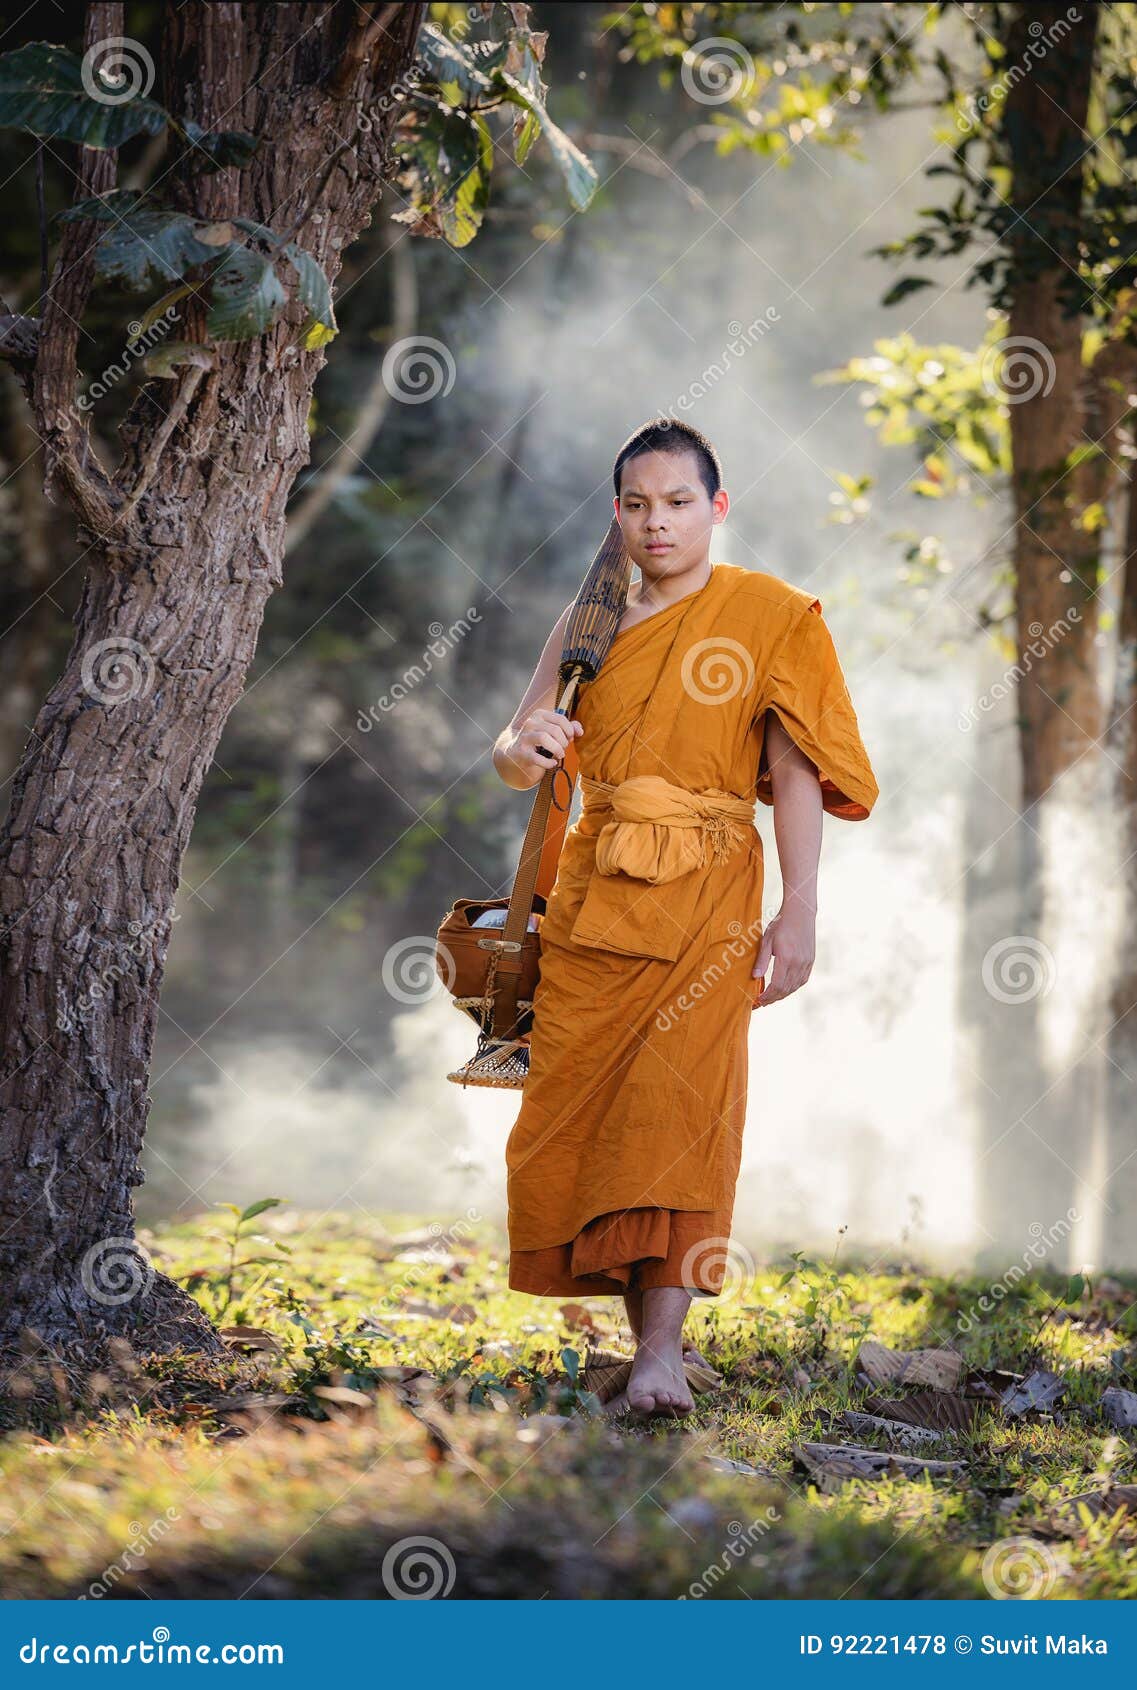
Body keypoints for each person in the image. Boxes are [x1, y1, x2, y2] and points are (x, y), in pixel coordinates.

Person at [491, 417, 878, 1420]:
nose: (654, 523)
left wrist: (799, 911)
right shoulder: (589, 622)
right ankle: (640, 1344)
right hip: (594, 900)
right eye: (635, 504)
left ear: (716, 507)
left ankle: (661, 1353)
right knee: (583, 1123)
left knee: (679, 1118)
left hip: (709, 898)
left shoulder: (771, 615)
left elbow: (796, 773)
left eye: (675, 503)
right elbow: (515, 747)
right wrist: (521, 748)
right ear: (616, 513)